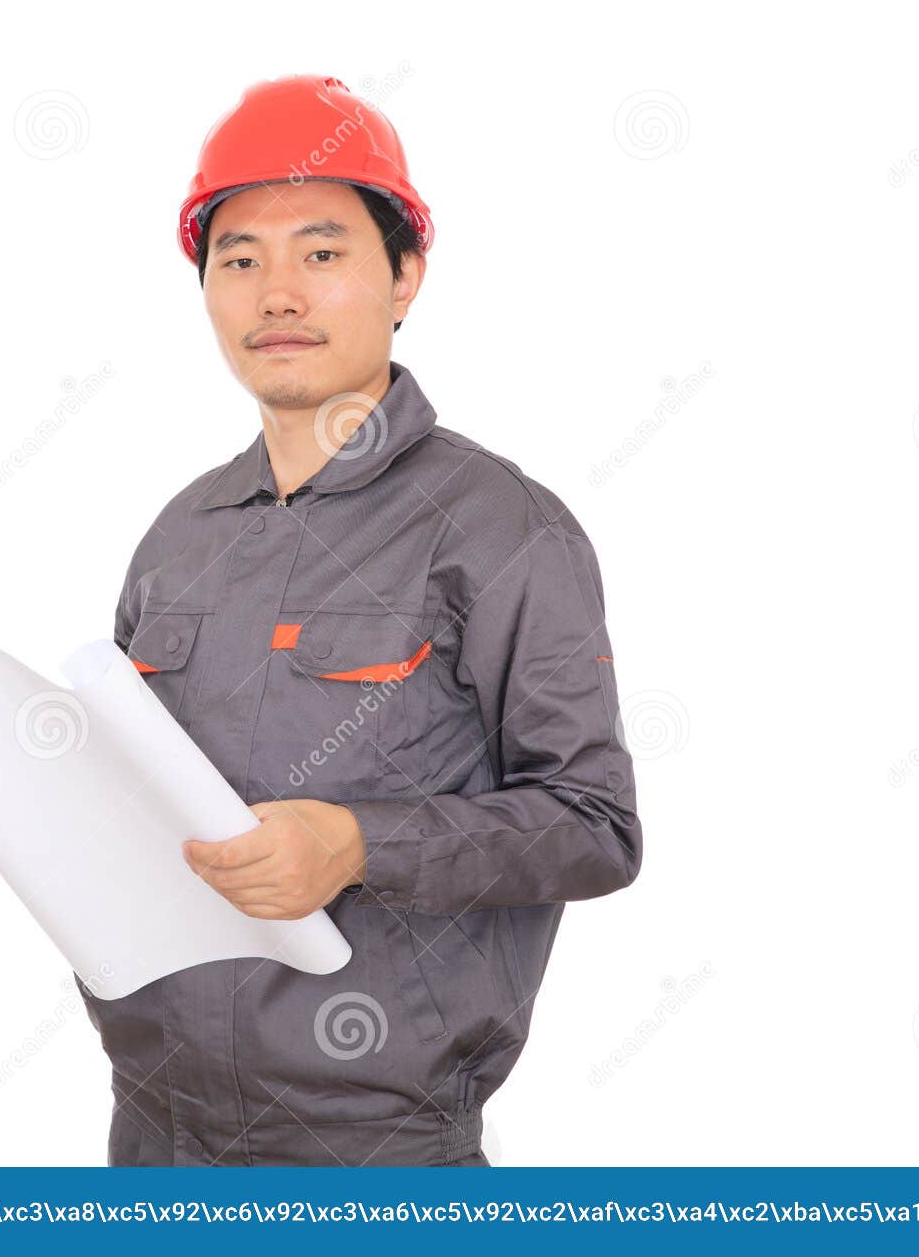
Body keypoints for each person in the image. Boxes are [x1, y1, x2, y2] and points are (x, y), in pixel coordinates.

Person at [75, 74, 643, 1167]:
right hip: (151, 1136)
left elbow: (594, 824)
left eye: (321, 253)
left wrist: (358, 844)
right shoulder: (180, 534)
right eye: (239, 259)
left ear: (405, 277)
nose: (275, 293)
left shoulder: (498, 529)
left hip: (370, 1156)